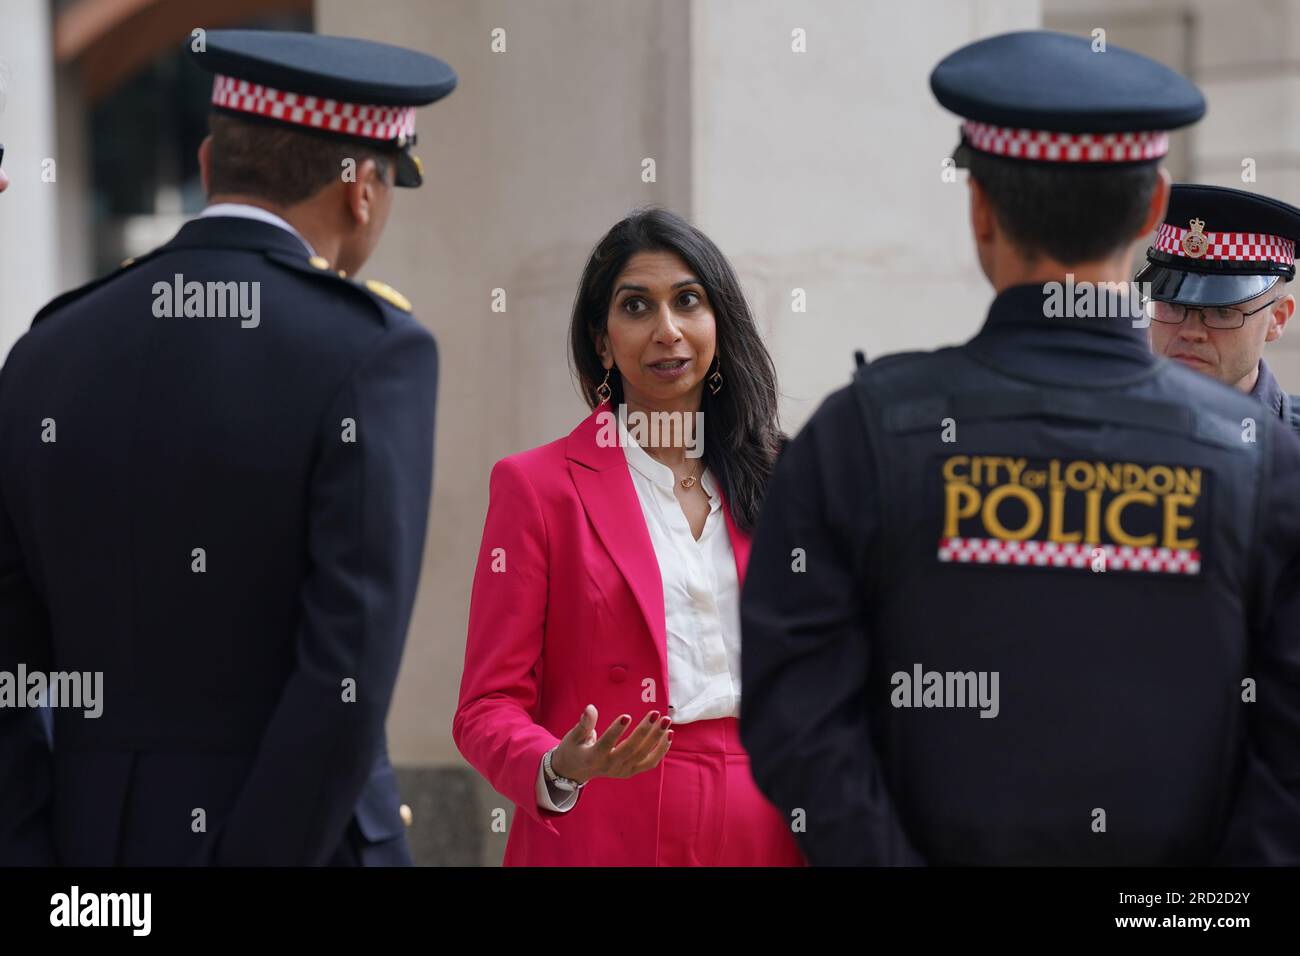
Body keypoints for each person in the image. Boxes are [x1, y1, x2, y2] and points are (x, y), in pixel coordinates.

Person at [740, 30, 1300, 865]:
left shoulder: (856, 440)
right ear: (1154, 209)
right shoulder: (1267, 468)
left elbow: (798, 721)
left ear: (980, 211)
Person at [0, 30, 456, 865]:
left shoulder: (45, 352)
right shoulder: (374, 351)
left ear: (211, 165)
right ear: (361, 189)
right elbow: (344, 678)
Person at [453, 208, 802, 866]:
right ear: (603, 341)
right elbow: (485, 706)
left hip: (772, 819)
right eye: (637, 306)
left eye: (689, 301)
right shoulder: (537, 487)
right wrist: (559, 765)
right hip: (605, 824)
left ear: (718, 326)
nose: (666, 330)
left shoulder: (787, 478)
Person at [1139, 183, 1300, 432]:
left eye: (1222, 312)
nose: (1191, 331)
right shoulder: (1107, 430)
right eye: (1172, 306)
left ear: (1277, 319)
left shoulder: (1291, 447)